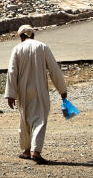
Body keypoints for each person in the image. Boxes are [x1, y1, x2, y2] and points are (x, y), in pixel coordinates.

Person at [5, 24, 68, 163]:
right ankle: (35, 151)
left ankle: (27, 150)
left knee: (25, 118)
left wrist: (10, 94)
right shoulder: (42, 47)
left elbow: (12, 72)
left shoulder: (17, 49)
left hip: (22, 90)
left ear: (20, 37)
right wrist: (62, 90)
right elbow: (54, 70)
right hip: (40, 88)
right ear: (32, 35)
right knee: (40, 118)